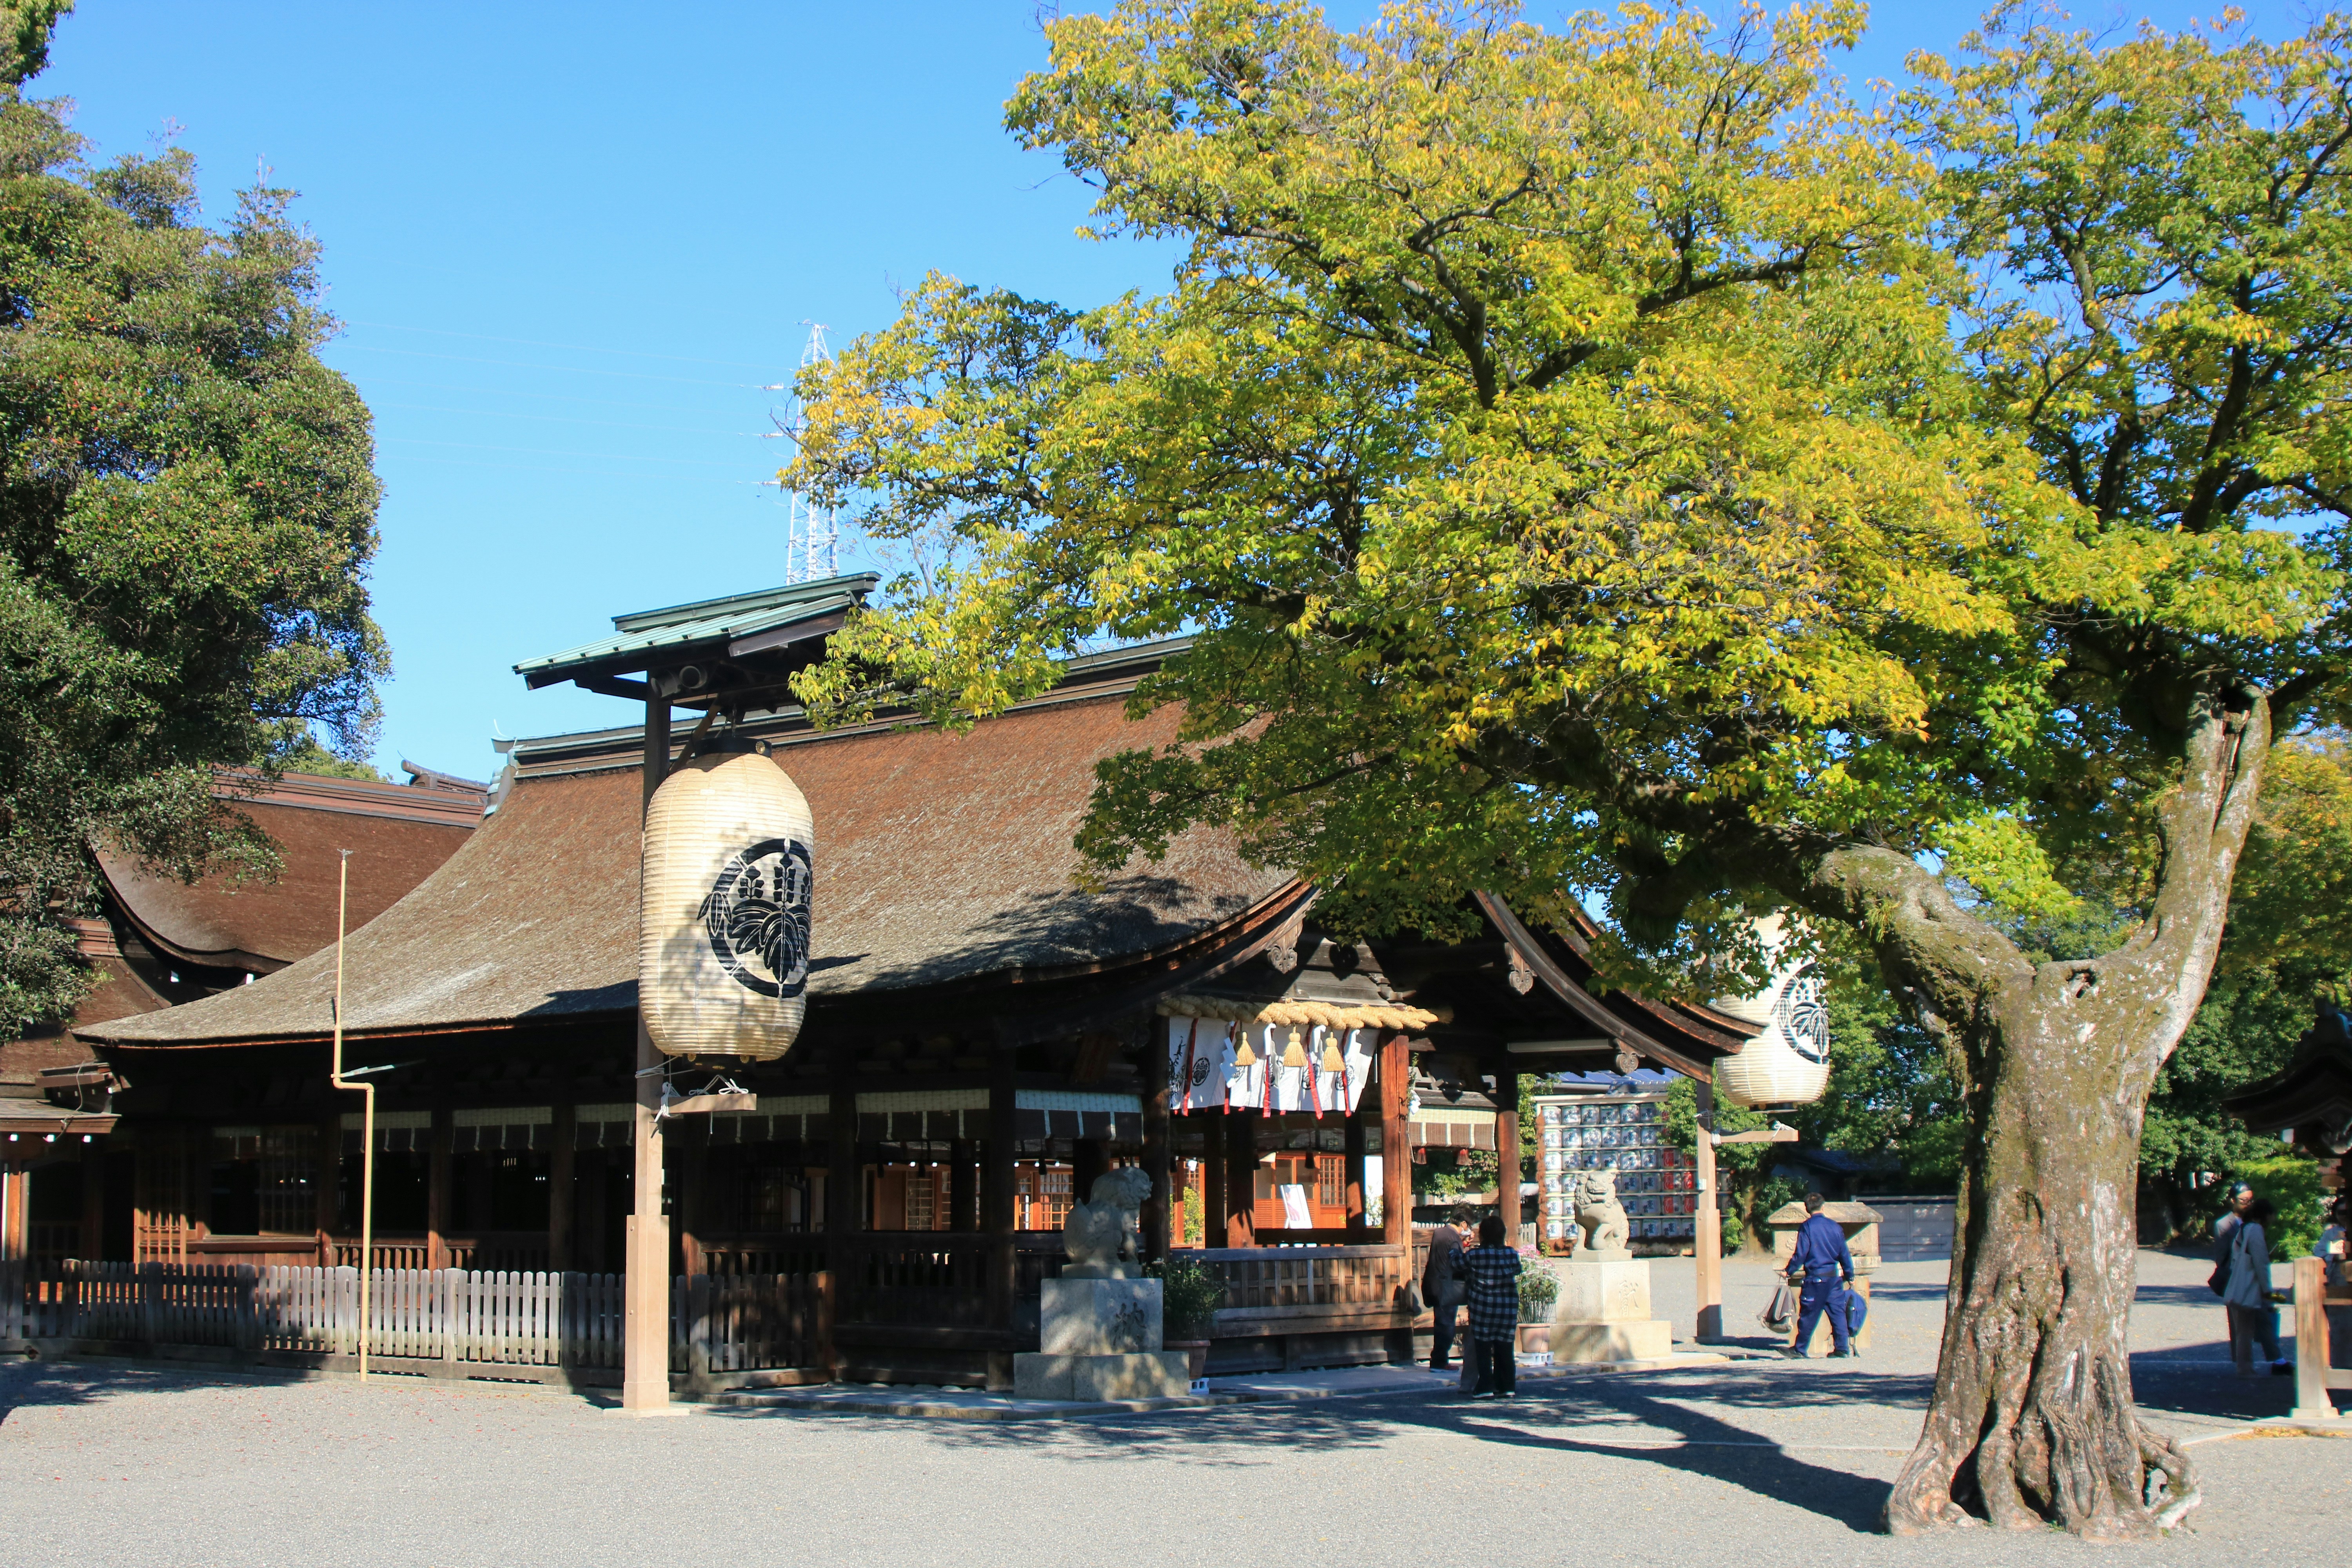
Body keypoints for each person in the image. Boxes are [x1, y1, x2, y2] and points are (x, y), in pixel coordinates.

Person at [1452, 1213, 1523, 1398]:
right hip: (1507, 1308)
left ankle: (1485, 1386)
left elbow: (1457, 1263)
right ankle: (1507, 1385)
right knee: (1505, 1347)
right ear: (1502, 1235)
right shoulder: (1511, 1254)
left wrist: (1455, 1249)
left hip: (1483, 1307)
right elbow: (1518, 1269)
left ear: (1483, 1235)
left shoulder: (1476, 1255)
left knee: (1483, 1348)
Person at [2223, 1196, 2290, 1378]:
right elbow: (2261, 1262)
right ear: (2265, 1215)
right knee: (2246, 1331)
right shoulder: (2256, 1230)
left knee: (2255, 1327)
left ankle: (2276, 1361)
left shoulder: (2243, 1229)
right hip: (2251, 1288)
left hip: (2239, 1286)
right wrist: (2268, 1289)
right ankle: (2246, 1369)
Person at [1785, 1191, 1855, 1359]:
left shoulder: (1807, 1227)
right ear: (1823, 1207)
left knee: (1809, 1314)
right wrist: (1850, 1275)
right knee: (1838, 1313)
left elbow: (1801, 1253)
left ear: (1807, 1209)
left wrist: (1789, 1271)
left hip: (1816, 1278)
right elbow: (1844, 1253)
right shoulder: (1835, 1227)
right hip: (1834, 1278)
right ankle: (1842, 1348)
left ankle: (1800, 1349)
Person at [1424, 1205, 1472, 1372]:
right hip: (1447, 1287)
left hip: (1434, 1283)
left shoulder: (1439, 1233)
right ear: (1464, 1224)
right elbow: (1456, 1263)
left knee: (1441, 1323)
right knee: (1446, 1325)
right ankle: (1439, 1361)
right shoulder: (1454, 1238)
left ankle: (1439, 1359)